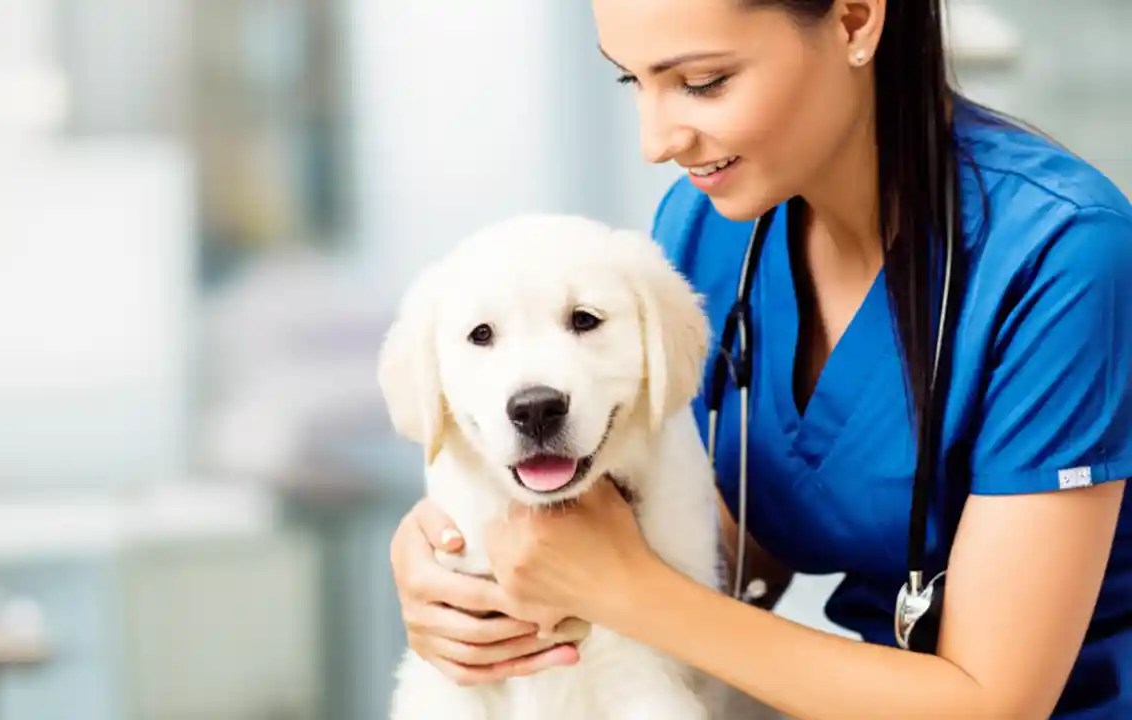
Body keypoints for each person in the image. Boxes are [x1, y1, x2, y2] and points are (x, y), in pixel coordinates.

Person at [388, 0, 1132, 716]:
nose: (657, 140)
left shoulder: (1062, 256)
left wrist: (622, 587)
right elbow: (738, 551)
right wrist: (467, 574)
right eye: (633, 80)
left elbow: (992, 705)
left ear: (853, 19)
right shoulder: (710, 229)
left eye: (702, 82)